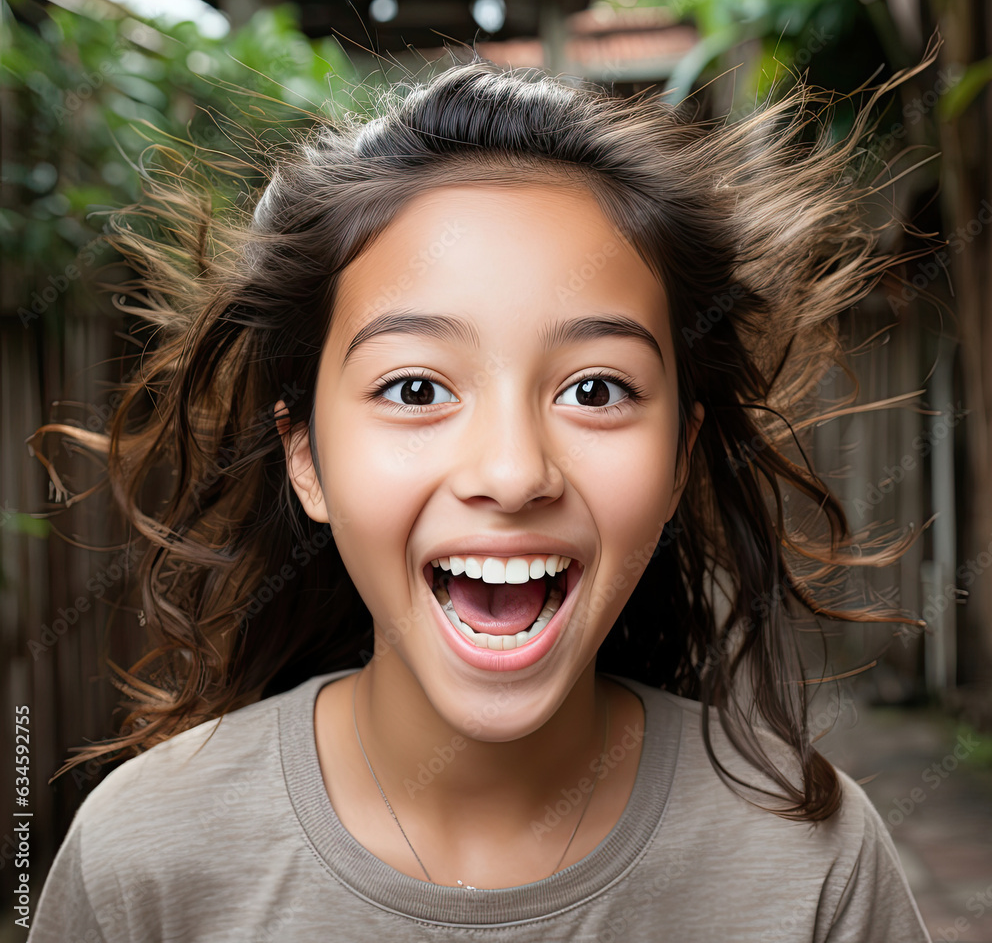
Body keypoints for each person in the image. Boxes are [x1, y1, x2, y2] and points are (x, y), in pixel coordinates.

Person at [27, 54, 935, 941]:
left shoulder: (809, 863)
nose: (511, 474)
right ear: (305, 455)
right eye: (417, 389)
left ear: (678, 459)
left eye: (595, 390)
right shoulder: (141, 863)